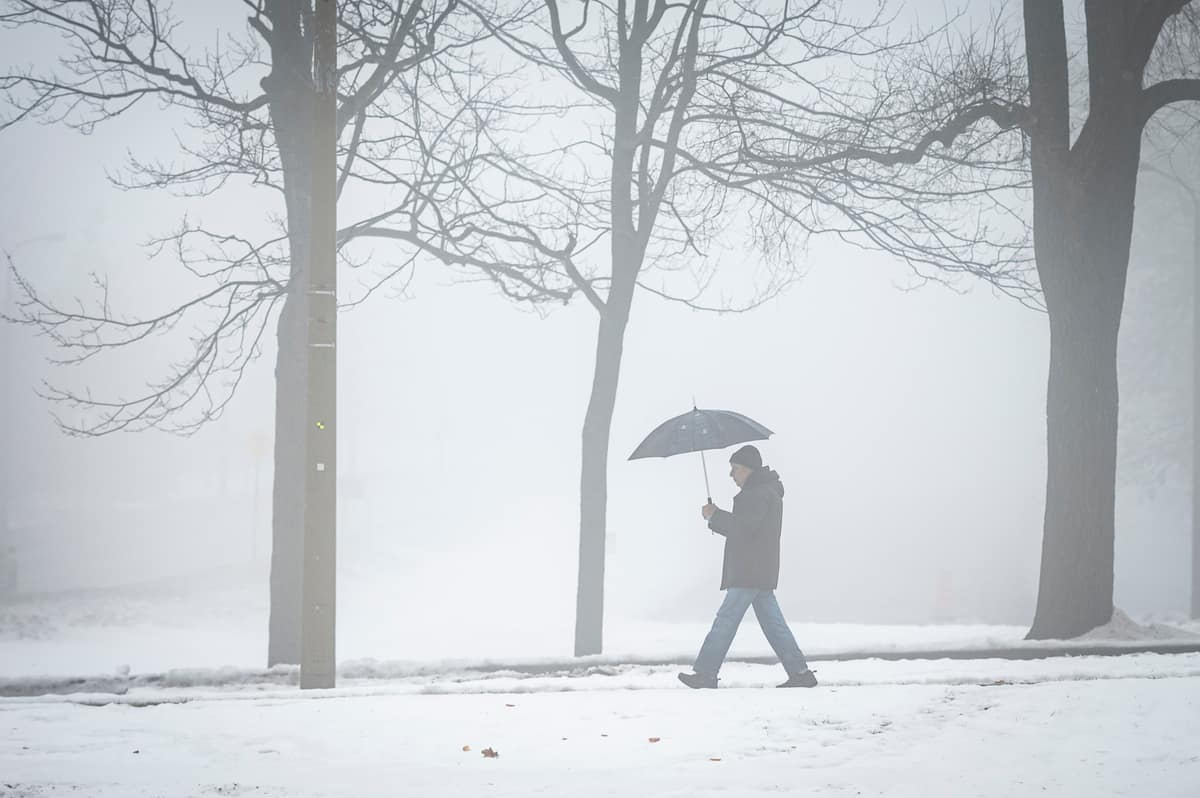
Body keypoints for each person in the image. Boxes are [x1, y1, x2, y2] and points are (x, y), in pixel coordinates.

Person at [678, 444, 817, 689]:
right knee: (774, 625)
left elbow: (743, 529)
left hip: (748, 571)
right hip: (758, 570)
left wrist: (714, 515)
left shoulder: (756, 494)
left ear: (750, 470)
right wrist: (717, 517)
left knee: (726, 620)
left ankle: (706, 673)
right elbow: (748, 528)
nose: (731, 475)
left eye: (736, 469)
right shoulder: (764, 491)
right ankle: (800, 673)